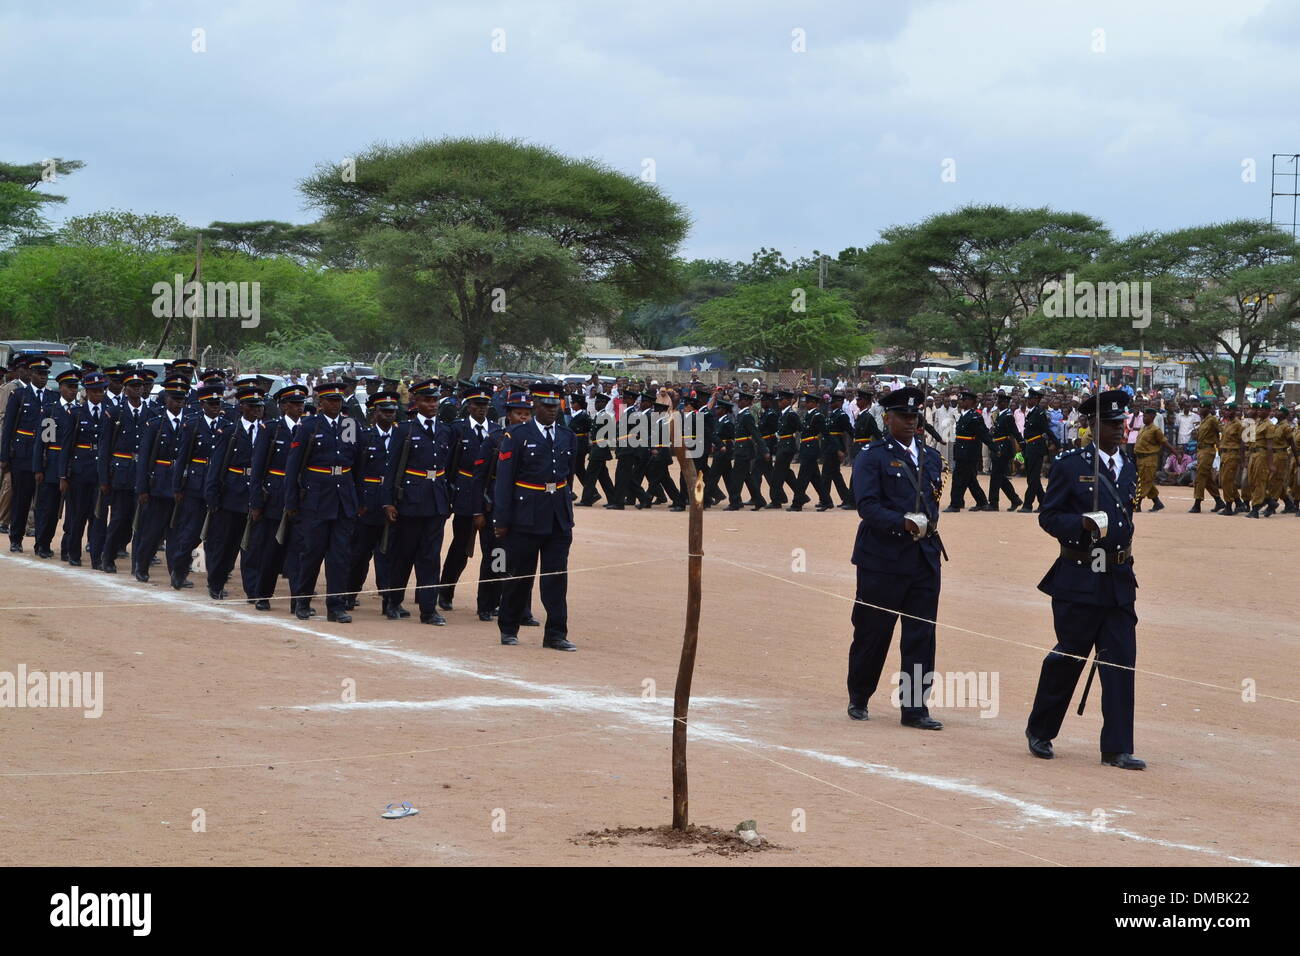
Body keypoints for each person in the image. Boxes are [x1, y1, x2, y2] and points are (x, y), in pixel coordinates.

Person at [1025, 389, 1145, 770]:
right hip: (1079, 575)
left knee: (1121, 663)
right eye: (1110, 424)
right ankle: (1041, 730)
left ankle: (1117, 747)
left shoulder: (1128, 464)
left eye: (1121, 423)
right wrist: (1081, 524)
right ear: (1091, 426)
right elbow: (1048, 517)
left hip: (1118, 578)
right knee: (1070, 654)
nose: (1118, 429)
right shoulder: (1069, 463)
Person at [846, 386, 945, 730]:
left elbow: (933, 502)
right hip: (883, 559)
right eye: (903, 416)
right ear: (887, 418)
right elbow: (867, 505)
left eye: (914, 417)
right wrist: (900, 522)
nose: (910, 422)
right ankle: (859, 695)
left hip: (924, 558)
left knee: (921, 635)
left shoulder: (931, 457)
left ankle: (915, 708)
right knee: (873, 632)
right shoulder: (872, 456)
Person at [493, 382, 577, 651]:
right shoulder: (516, 435)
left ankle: (555, 633)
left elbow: (569, 476)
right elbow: (504, 481)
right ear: (535, 406)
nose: (552, 410)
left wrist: (566, 508)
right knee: (519, 576)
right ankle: (508, 627)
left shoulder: (567, 436)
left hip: (557, 517)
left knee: (556, 577)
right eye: (547, 406)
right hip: (525, 515)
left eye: (556, 406)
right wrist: (502, 520)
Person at [284, 382, 365, 622]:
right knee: (311, 553)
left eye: (339, 401)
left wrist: (358, 498)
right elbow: (293, 466)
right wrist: (291, 502)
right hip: (316, 498)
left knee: (340, 556)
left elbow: (357, 462)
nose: (335, 405)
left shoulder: (349, 425)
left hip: (343, 498)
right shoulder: (309, 425)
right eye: (330, 400)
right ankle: (302, 600)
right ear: (321, 402)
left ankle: (336, 606)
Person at [437, 385, 501, 616]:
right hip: (465, 493)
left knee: (495, 551)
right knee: (461, 547)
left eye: (484, 406)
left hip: (491, 496)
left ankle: (491, 599)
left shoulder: (496, 431)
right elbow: (448, 463)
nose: (481, 409)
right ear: (468, 406)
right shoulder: (458, 429)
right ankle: (446, 590)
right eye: (477, 405)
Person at [246, 384, 308, 611]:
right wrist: (256, 502)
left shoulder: (307, 428)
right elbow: (258, 468)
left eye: (301, 404)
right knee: (270, 551)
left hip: (300, 498)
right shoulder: (270, 429)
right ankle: (262, 594)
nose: (299, 408)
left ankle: (297, 600)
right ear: (283, 406)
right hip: (274, 497)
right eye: (294, 404)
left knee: (298, 552)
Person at [202, 386, 266, 601]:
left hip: (256, 494)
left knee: (253, 546)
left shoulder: (266, 431)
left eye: (260, 406)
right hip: (231, 493)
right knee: (225, 544)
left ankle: (253, 590)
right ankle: (217, 582)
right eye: (253, 406)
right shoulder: (230, 432)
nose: (257, 410)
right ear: (242, 407)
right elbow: (217, 466)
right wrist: (212, 495)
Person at [344, 390, 399, 616]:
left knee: (389, 554)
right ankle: (349, 594)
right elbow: (353, 469)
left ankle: (389, 599)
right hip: (368, 501)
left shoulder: (400, 436)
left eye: (392, 411)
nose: (389, 415)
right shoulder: (363, 436)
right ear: (373, 413)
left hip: (392, 502)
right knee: (359, 554)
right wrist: (357, 500)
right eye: (384, 411)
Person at [96, 368, 153, 572]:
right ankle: (108, 556)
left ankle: (138, 564)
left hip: (142, 474)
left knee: (139, 521)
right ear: (126, 389)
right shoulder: (115, 412)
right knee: (119, 518)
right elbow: (104, 448)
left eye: (140, 386)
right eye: (133, 387)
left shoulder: (151, 412)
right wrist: (104, 478)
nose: (137, 390)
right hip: (120, 473)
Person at [58, 370, 111, 569]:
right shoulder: (76, 413)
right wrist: (63, 474)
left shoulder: (110, 411)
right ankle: (73, 553)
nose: (99, 394)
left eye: (102, 391)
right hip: (80, 471)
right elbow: (66, 446)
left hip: (100, 472)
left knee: (98, 517)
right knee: (77, 515)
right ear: (87, 392)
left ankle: (97, 557)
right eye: (95, 391)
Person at [1, 355, 51, 552]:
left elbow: (51, 428)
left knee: (42, 502)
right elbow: (8, 428)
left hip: (45, 457)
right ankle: (16, 538)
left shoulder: (51, 397)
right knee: (21, 499)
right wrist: (4, 456)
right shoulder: (19, 395)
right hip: (23, 454)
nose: (43, 377)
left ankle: (41, 542)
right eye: (39, 373)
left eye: (46, 374)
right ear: (30, 374)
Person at [945, 390, 993, 512]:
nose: (961, 402)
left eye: (963, 400)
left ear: (971, 402)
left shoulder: (975, 416)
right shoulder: (964, 414)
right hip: (961, 451)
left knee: (959, 478)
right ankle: (982, 502)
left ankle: (955, 504)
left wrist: (994, 448)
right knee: (970, 479)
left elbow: (984, 435)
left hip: (969, 452)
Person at [788, 392, 832, 511]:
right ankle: (827, 501)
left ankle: (797, 504)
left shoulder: (817, 416)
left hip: (811, 449)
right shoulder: (809, 415)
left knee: (802, 478)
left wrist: (832, 448)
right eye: (805, 402)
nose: (805, 404)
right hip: (806, 448)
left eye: (808, 402)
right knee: (816, 479)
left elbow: (826, 433)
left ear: (814, 403)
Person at [726, 391, 767, 510]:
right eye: (739, 400)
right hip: (740, 449)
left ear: (748, 402)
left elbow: (755, 434)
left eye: (742, 400)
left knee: (736, 477)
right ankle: (759, 500)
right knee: (747, 478)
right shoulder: (741, 415)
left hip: (744, 450)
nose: (739, 402)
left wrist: (764, 450)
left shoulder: (747, 416)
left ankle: (735, 502)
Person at [1019, 389, 1058, 512]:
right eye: (1027, 399)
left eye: (1030, 399)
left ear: (1036, 400)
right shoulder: (1031, 413)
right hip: (1030, 447)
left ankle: (1027, 505)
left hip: (1037, 447)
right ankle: (1044, 504)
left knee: (1033, 478)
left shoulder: (1039, 413)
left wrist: (1057, 443)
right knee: (1032, 478)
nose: (1027, 401)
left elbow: (1047, 430)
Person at [987, 392, 1024, 511]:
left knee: (995, 476)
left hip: (1003, 448)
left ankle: (993, 503)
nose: (997, 403)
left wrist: (1022, 443)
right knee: (1000, 477)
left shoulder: (1008, 415)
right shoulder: (1000, 414)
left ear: (1004, 403)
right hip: (998, 445)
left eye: (999, 401)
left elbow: (1015, 431)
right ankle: (1015, 499)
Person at [1132, 407, 1175, 512]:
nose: (1144, 418)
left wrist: (1176, 453)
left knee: (1144, 481)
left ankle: (1137, 504)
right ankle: (1157, 503)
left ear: (1152, 417)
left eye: (1146, 416)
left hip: (1149, 459)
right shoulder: (1143, 428)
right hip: (1140, 459)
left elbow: (1165, 442)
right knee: (1147, 481)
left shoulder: (1155, 430)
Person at [1189, 398, 1226, 513]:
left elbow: (1222, 431)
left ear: (1209, 409)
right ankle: (1219, 501)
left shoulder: (1212, 420)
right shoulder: (1204, 420)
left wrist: (1220, 447)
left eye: (1203, 407)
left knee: (1200, 477)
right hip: (1201, 450)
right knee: (1207, 478)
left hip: (1208, 450)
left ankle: (1197, 503)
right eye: (1200, 407)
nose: (1200, 409)